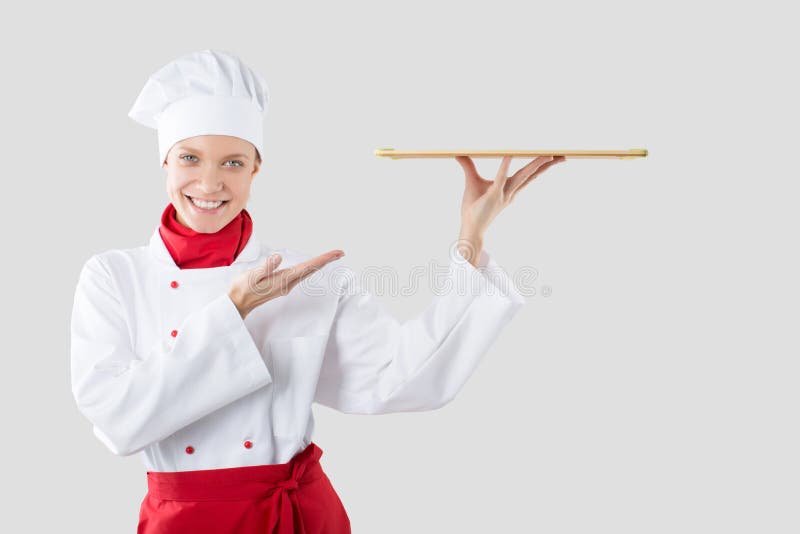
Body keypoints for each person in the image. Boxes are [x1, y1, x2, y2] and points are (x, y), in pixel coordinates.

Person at [70, 49, 566, 533]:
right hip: (184, 521)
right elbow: (118, 419)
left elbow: (400, 380)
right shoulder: (114, 277)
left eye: (233, 163)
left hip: (299, 516)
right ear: (165, 162)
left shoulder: (310, 279)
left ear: (256, 168)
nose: (209, 181)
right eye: (190, 158)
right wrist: (234, 309)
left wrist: (471, 237)